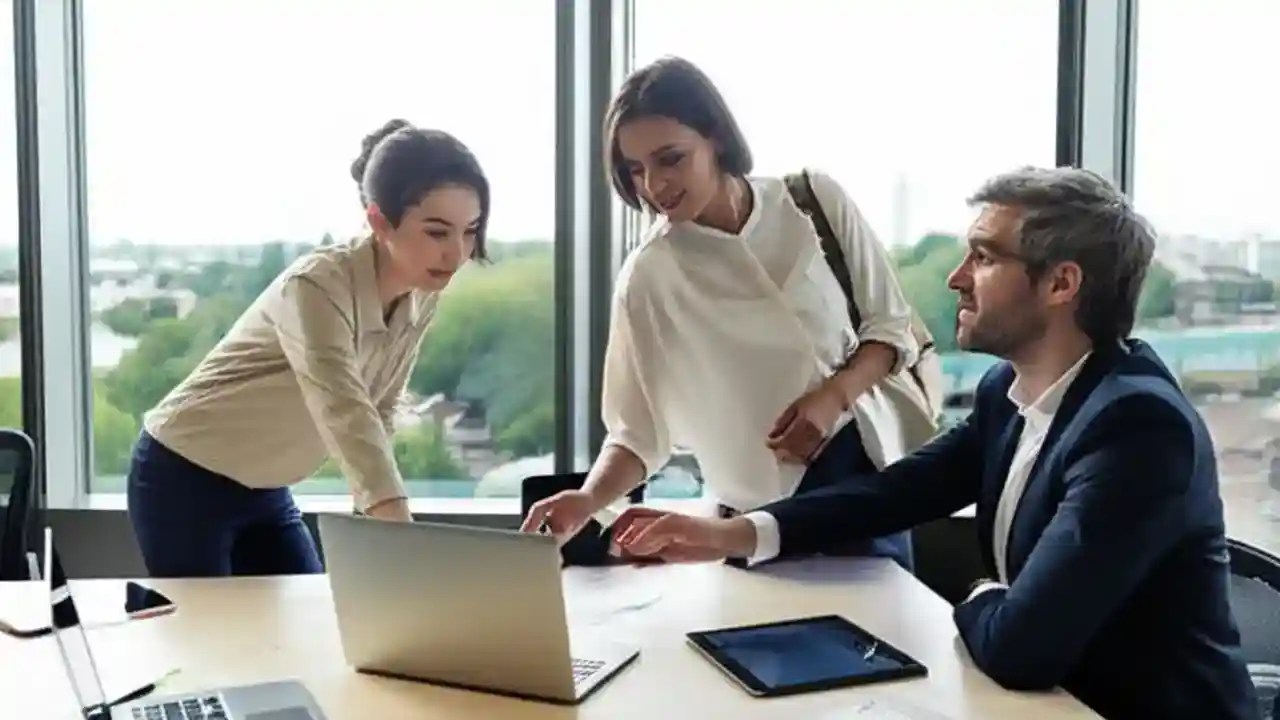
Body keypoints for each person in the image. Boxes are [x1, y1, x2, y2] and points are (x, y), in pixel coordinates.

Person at [607, 166, 1258, 719]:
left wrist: (977, 592)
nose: (955, 278)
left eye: (984, 256)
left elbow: (1020, 648)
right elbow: (896, 493)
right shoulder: (1014, 389)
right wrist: (735, 534)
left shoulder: (1138, 428)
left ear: (1061, 284)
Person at [521, 56, 928, 571]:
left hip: (864, 483)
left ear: (715, 137)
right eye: (636, 170)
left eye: (670, 158)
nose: (654, 186)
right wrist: (587, 499)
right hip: (751, 516)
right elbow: (637, 432)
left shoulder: (813, 202)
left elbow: (890, 330)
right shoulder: (650, 275)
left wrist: (832, 396)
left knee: (884, 645)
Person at [126, 119, 489, 578]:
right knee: (208, 638)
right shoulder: (316, 285)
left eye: (469, 231)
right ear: (379, 220)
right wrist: (401, 535)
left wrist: (380, 532)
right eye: (437, 233)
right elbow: (343, 407)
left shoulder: (422, 291)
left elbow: (380, 409)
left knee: (311, 623)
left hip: (267, 486)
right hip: (182, 474)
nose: (456, 254)